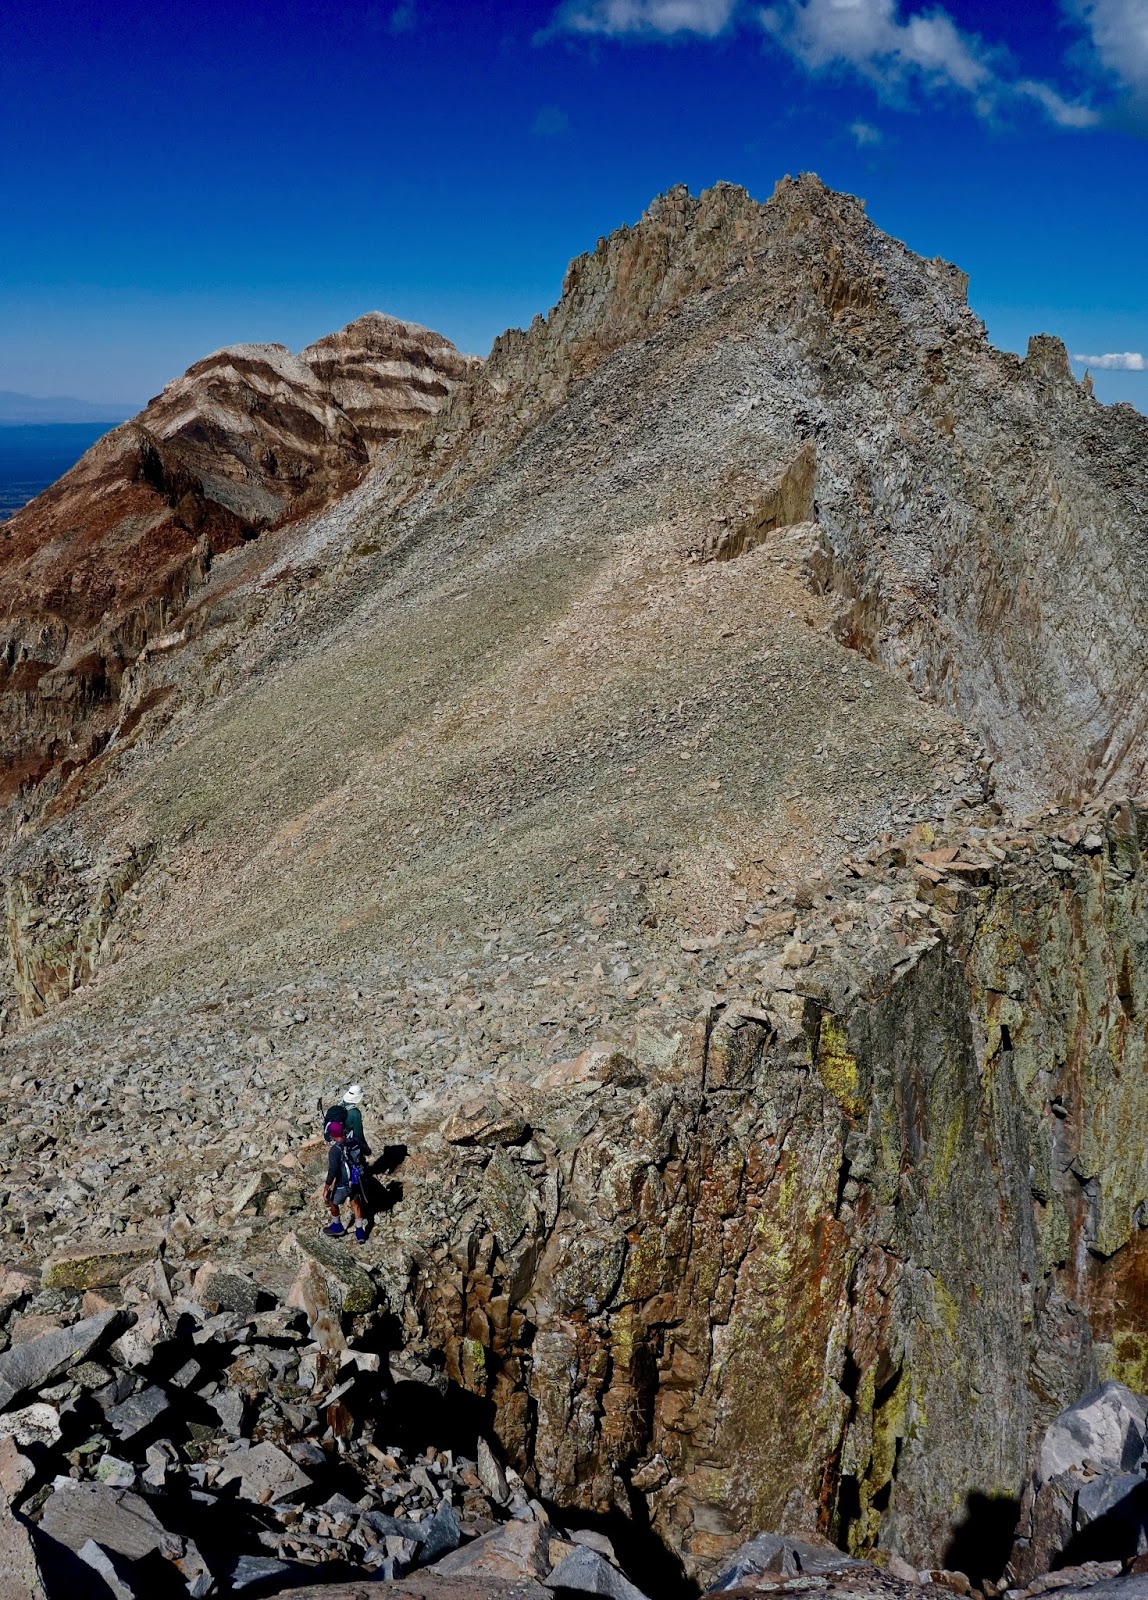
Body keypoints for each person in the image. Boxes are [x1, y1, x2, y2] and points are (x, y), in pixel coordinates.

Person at [322, 1121, 368, 1243]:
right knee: (355, 1203)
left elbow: (333, 1170)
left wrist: (327, 1187)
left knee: (332, 1202)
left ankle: (337, 1226)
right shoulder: (354, 1141)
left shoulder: (335, 1150)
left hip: (343, 1183)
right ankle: (360, 1232)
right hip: (357, 1179)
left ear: (331, 1135)